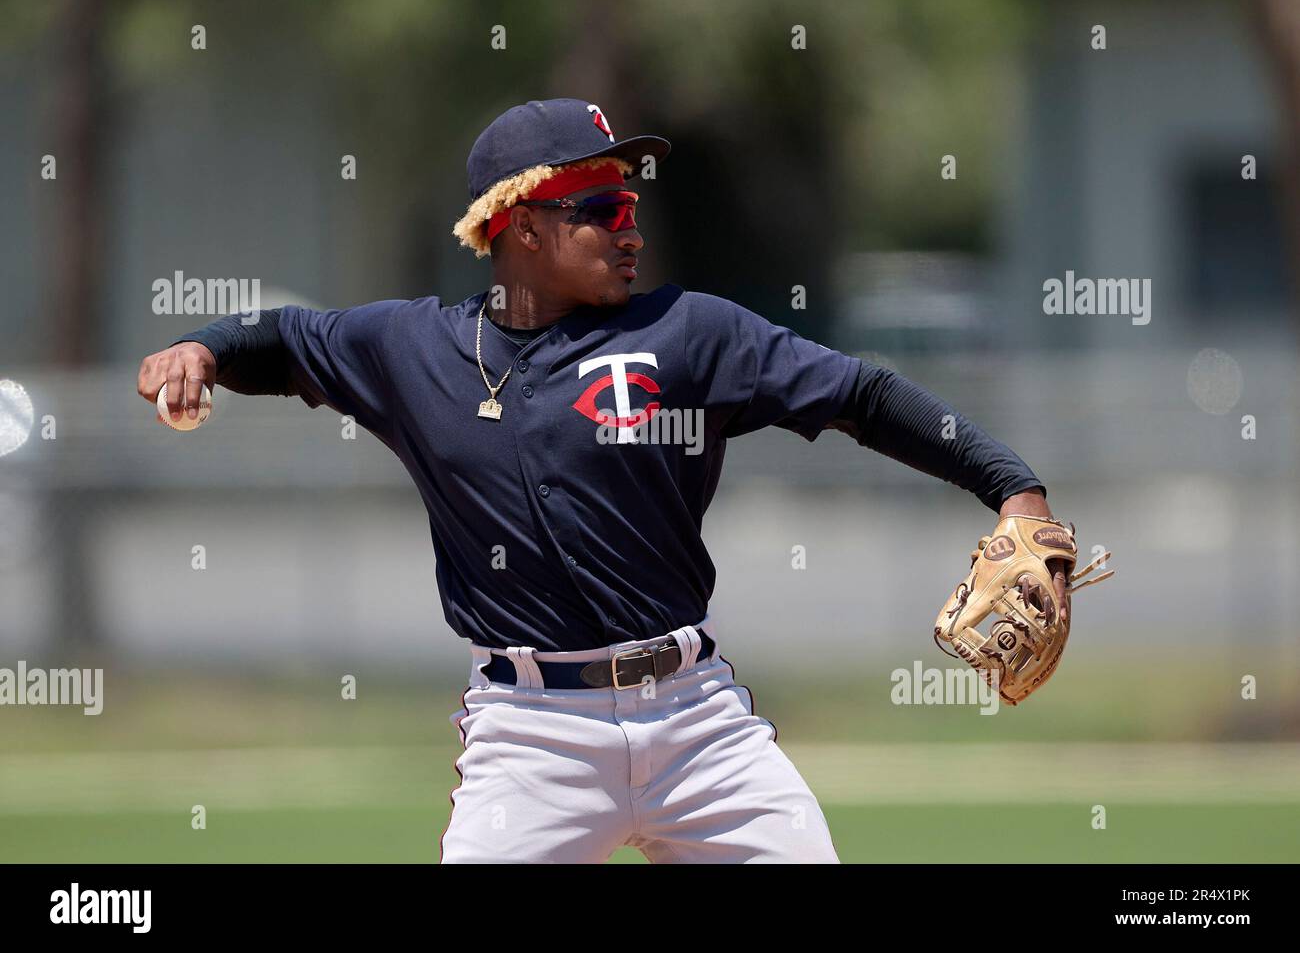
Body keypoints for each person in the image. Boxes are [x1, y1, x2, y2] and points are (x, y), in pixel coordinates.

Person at [136, 98, 1068, 863]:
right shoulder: (412, 346)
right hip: (532, 735)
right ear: (523, 224)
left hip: (698, 722)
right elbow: (286, 340)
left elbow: (860, 395)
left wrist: (1014, 490)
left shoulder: (690, 331)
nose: (633, 231)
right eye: (605, 212)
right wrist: (198, 349)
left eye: (634, 206)